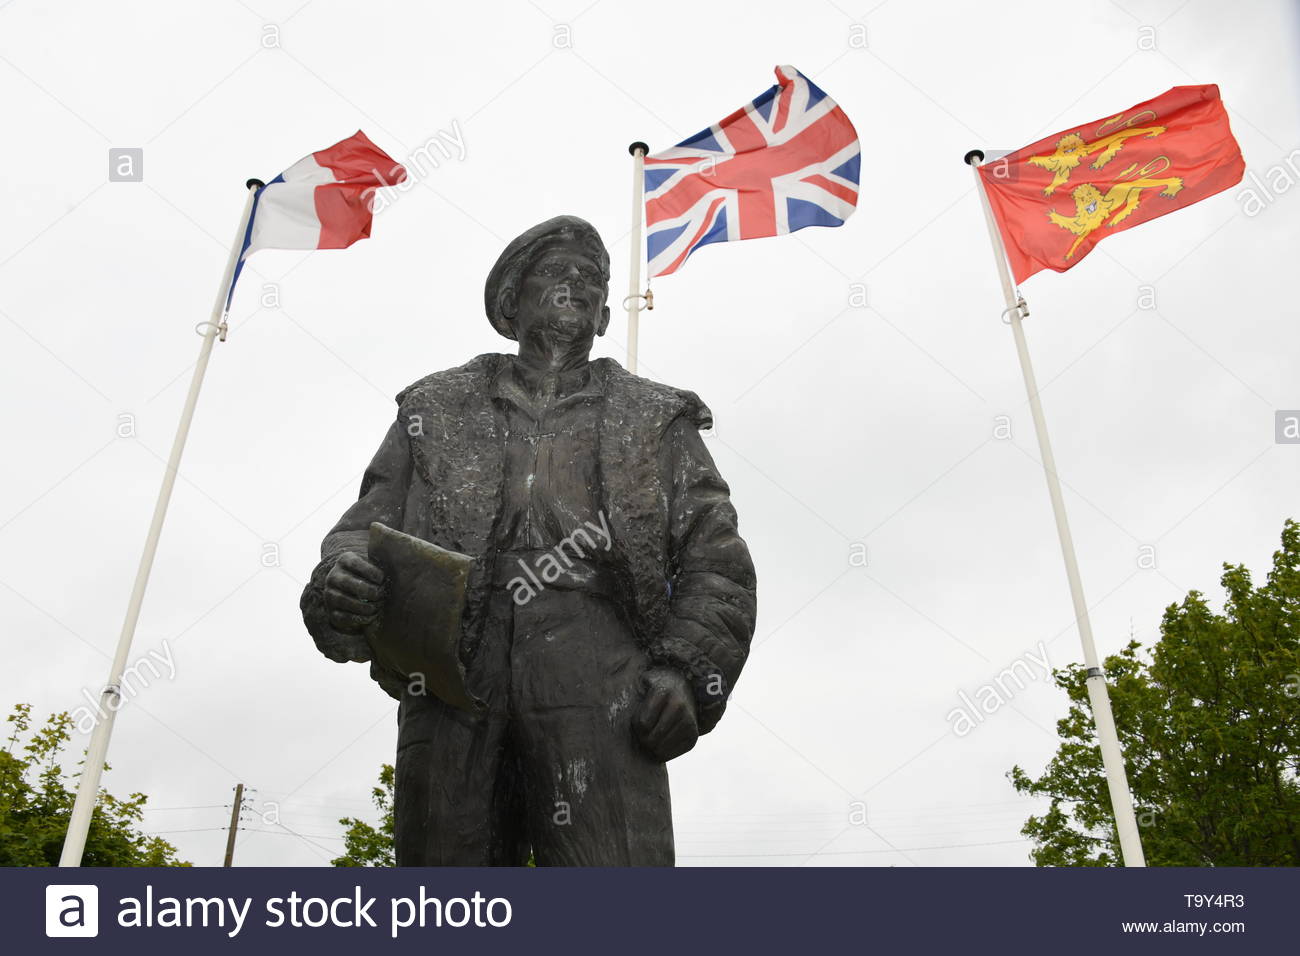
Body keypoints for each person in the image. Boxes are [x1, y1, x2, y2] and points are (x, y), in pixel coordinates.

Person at [300, 215, 756, 865]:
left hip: (599, 668)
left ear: (604, 315)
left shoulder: (654, 418)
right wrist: (341, 579)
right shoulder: (435, 406)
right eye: (555, 270)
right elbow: (361, 531)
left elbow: (717, 560)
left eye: (592, 278)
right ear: (512, 303)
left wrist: (688, 669)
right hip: (456, 663)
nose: (577, 283)